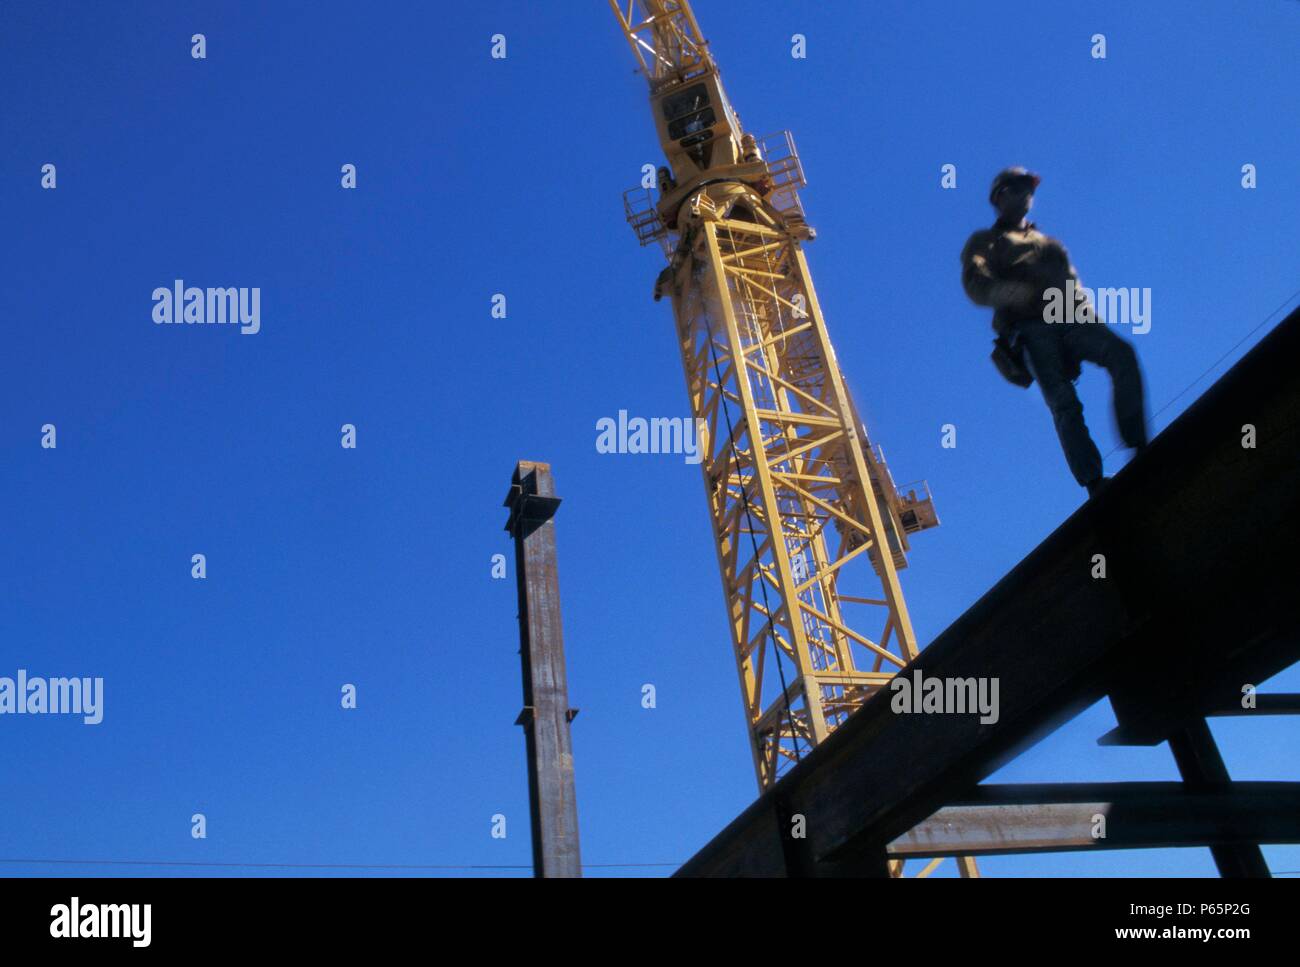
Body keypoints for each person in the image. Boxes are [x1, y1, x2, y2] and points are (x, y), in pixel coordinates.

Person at [960, 167, 1148, 495]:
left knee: (1121, 354)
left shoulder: (1048, 245)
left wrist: (1092, 326)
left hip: (1069, 318)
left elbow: (1073, 288)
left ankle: (1140, 446)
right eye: (1019, 187)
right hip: (1030, 330)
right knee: (1063, 401)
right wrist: (1013, 293)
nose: (1028, 194)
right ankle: (1093, 482)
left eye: (1029, 188)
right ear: (1001, 196)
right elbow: (976, 283)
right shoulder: (986, 242)